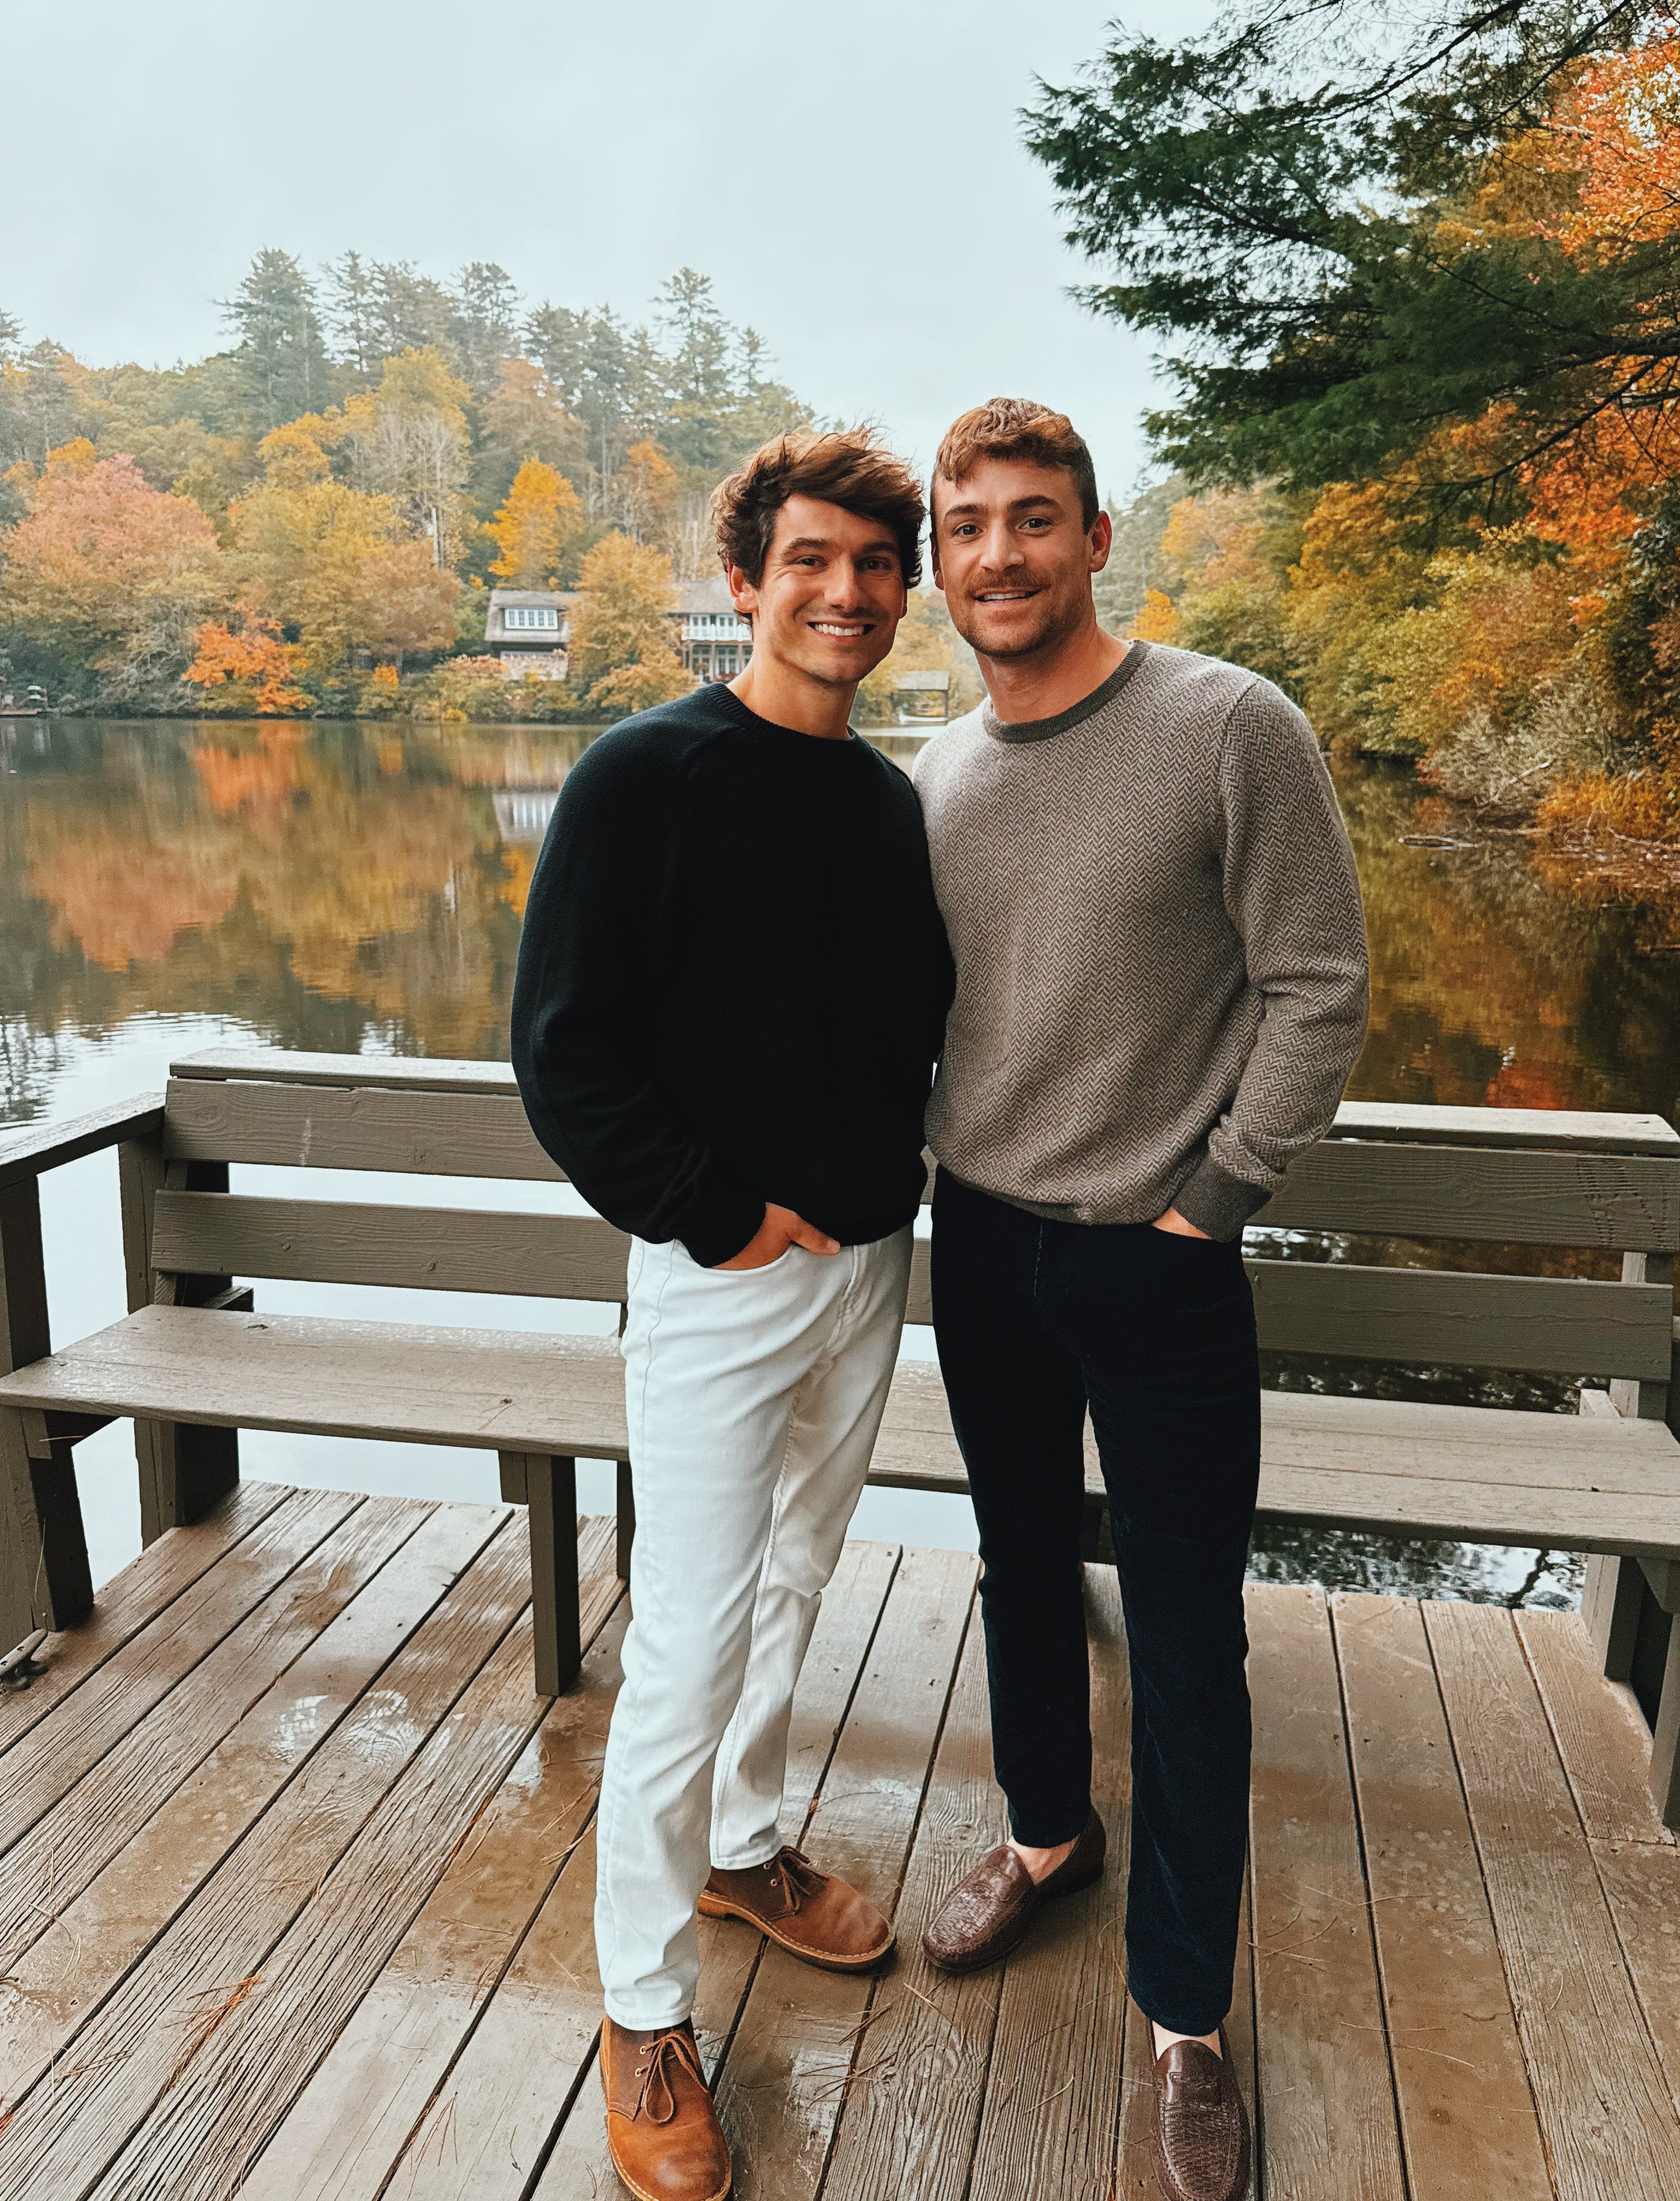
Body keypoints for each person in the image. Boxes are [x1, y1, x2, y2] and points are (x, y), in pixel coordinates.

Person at [913, 399, 1369, 2201]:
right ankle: (1046, 1837)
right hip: (980, 1244)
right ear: (940, 560)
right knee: (1020, 1567)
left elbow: (1319, 984)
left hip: (1159, 1263)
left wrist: (1213, 1203)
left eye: (1034, 518)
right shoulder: (938, 773)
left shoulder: (1229, 727)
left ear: (1098, 539)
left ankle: (1185, 2012)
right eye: (968, 526)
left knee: (1185, 1639)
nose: (999, 555)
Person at [512, 427, 953, 2201]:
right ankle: (643, 2011)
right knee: (688, 1636)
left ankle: (745, 1845)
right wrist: (712, 1212)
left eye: (876, 565)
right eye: (811, 562)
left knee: (798, 1577)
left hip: (869, 1265)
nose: (846, 593)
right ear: (746, 581)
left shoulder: (888, 804)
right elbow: (564, 1053)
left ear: (902, 592)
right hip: (719, 1278)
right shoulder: (645, 776)